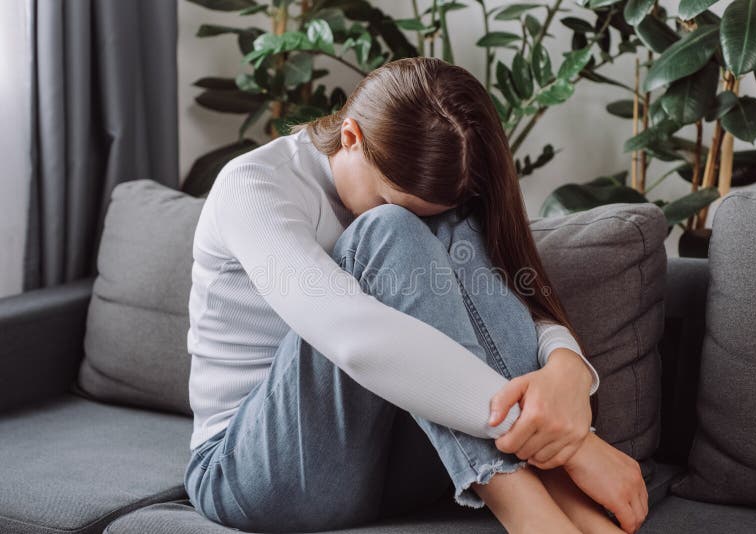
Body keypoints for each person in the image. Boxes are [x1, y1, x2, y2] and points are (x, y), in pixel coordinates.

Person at [183, 56, 648, 534]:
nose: (411, 218)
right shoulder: (254, 186)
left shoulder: (439, 198)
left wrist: (566, 368)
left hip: (390, 462)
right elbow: (356, 340)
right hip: (256, 470)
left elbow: (493, 305)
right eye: (390, 196)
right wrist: (576, 446)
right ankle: (531, 511)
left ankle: (563, 499)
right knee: (388, 232)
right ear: (350, 136)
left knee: (451, 230)